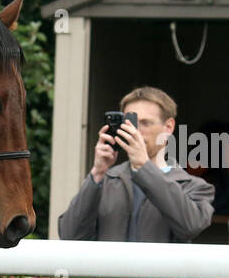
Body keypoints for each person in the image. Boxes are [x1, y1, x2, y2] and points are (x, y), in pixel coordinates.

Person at [58, 87, 214, 242]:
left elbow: (190, 226)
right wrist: (97, 174)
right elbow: (69, 235)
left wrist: (143, 166)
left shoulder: (195, 187)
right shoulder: (105, 181)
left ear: (168, 127)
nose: (135, 131)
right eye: (129, 123)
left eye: (145, 123)